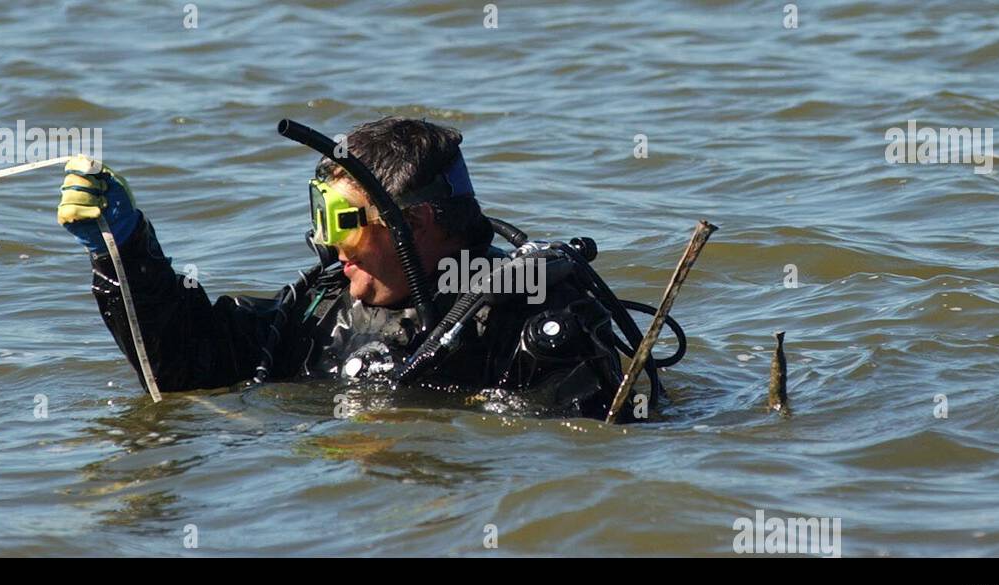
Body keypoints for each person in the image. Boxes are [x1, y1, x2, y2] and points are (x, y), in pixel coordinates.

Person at [56, 117, 664, 420]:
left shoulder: (526, 321)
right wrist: (126, 250)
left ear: (418, 222)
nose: (331, 246)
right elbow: (189, 365)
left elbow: (586, 468)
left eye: (346, 221)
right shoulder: (320, 307)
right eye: (322, 220)